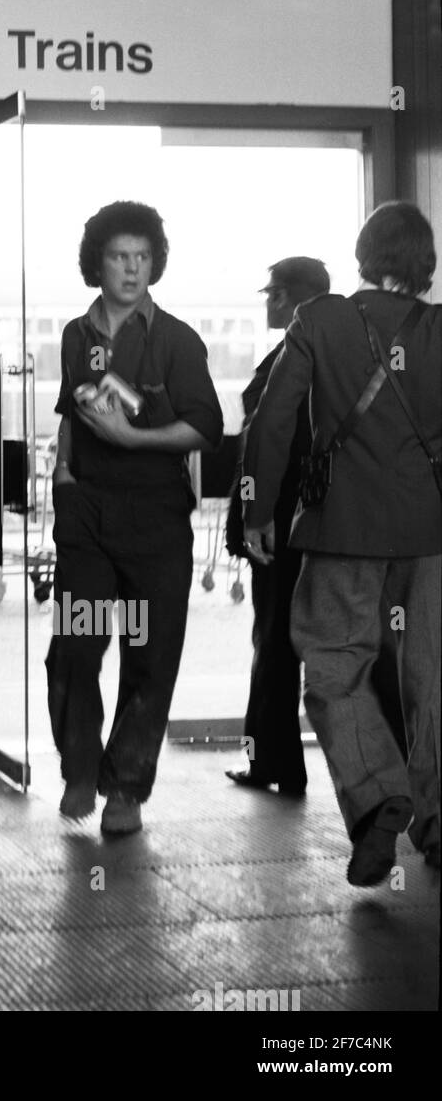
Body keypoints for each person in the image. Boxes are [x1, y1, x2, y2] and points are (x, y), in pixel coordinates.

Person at [242, 202, 441, 886]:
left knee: (332, 669)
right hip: (431, 535)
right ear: (425, 264)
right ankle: (437, 823)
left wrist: (257, 510)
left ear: (362, 256)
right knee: (432, 678)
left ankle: (377, 797)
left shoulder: (319, 321)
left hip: (341, 530)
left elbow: (271, 421)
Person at [49, 201, 224, 834]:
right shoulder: (76, 334)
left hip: (155, 520)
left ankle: (125, 789)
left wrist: (132, 441)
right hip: (88, 517)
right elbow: (72, 412)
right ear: (97, 263)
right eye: (120, 256)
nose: (131, 268)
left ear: (156, 263)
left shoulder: (177, 340)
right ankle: (78, 768)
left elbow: (207, 427)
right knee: (76, 644)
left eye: (142, 257)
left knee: (149, 656)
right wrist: (64, 479)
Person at [223, 257, 331, 796]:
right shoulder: (335, 354)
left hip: (281, 524)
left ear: (290, 298)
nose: (266, 302)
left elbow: (265, 444)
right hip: (313, 523)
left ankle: (269, 763)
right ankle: (271, 760)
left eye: (272, 294)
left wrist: (252, 517)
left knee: (273, 643)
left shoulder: (291, 356)